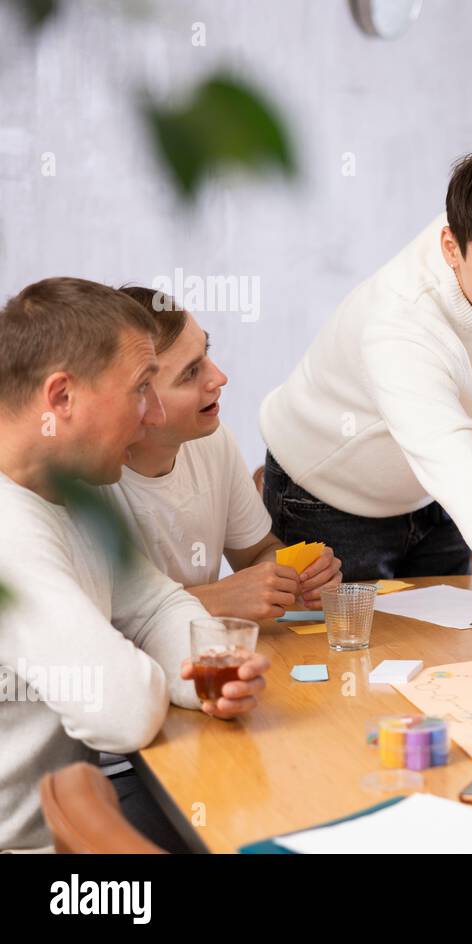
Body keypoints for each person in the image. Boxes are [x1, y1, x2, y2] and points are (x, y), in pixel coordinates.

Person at [260, 142, 472, 666]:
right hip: (327, 497)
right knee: (344, 673)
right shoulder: (401, 322)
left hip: (427, 497)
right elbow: (457, 468)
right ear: (452, 247)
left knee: (454, 659)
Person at [0, 277, 270, 851]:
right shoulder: (9, 537)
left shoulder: (68, 493)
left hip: (84, 818)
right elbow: (121, 710)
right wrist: (172, 668)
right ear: (61, 398)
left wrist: (200, 675)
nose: (151, 416)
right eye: (139, 389)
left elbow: (156, 605)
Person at [101, 286, 341, 621]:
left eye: (206, 353)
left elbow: (258, 551)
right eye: (190, 373)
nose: (220, 378)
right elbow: (94, 621)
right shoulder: (82, 485)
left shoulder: (211, 440)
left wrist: (294, 575)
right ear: (136, 398)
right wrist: (215, 600)